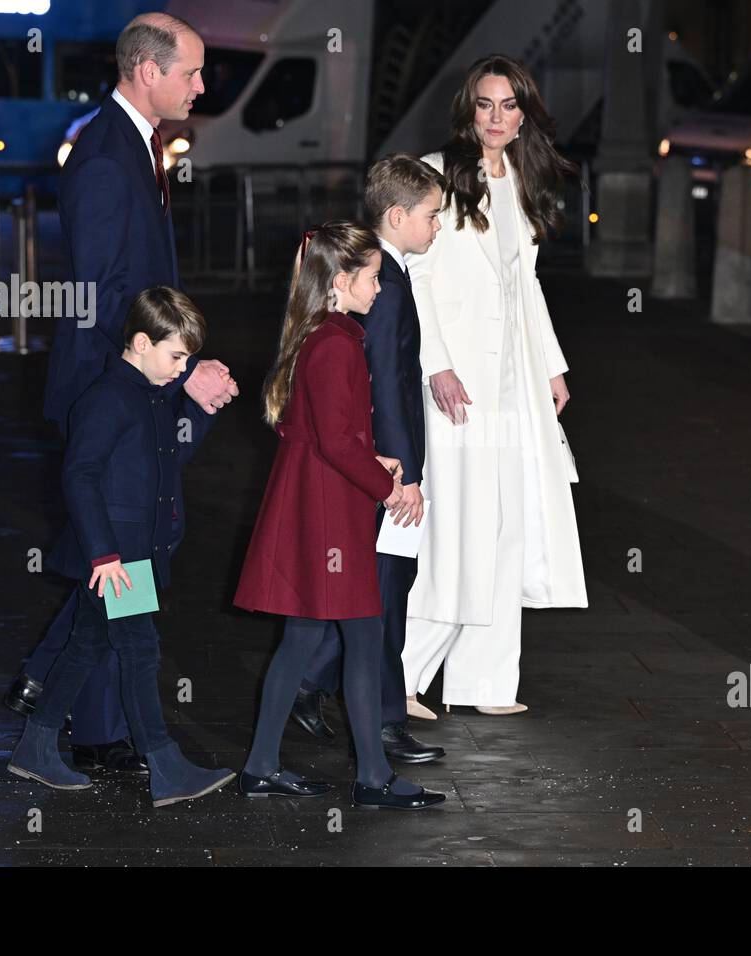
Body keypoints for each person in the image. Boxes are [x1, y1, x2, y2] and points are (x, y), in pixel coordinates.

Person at [2, 12, 237, 774]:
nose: (201, 86)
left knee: (128, 557)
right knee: (126, 558)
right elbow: (101, 297)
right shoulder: (107, 157)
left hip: (137, 379)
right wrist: (177, 364)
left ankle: (56, 698)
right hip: (113, 384)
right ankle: (106, 734)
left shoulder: (131, 145)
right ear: (147, 71)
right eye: (191, 73)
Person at [233, 222, 446, 811]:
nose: (380, 289)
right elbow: (335, 442)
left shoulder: (323, 334)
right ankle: (365, 778)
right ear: (342, 279)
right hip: (331, 510)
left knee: (314, 637)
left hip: (322, 500)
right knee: (347, 634)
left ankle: (269, 768)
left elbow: (320, 431)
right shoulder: (332, 343)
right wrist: (389, 487)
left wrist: (372, 461)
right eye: (373, 279)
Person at [400, 54, 587, 715]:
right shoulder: (436, 172)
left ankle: (484, 683)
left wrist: (551, 364)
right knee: (456, 530)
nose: (498, 117)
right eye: (486, 104)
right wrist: (436, 363)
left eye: (510, 105)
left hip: (513, 382)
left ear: (525, 113)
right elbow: (412, 274)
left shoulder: (521, 178)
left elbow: (524, 281)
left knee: (508, 525)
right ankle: (404, 677)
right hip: (458, 382)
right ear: (468, 109)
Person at [8, 287, 235, 807]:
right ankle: (166, 766)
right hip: (117, 560)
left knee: (87, 645)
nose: (183, 368)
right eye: (176, 355)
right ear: (139, 341)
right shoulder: (108, 399)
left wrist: (201, 411)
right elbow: (80, 476)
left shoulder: (151, 394)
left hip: (131, 555)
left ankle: (36, 746)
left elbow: (168, 459)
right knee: (140, 650)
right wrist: (105, 556)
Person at [288, 156, 448, 763]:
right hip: (385, 468)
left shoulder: (386, 273)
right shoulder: (387, 280)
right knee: (383, 591)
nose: (438, 226)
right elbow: (384, 382)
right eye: (432, 216)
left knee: (378, 586)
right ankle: (380, 722)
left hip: (378, 462)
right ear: (398, 215)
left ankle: (311, 684)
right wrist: (399, 474)